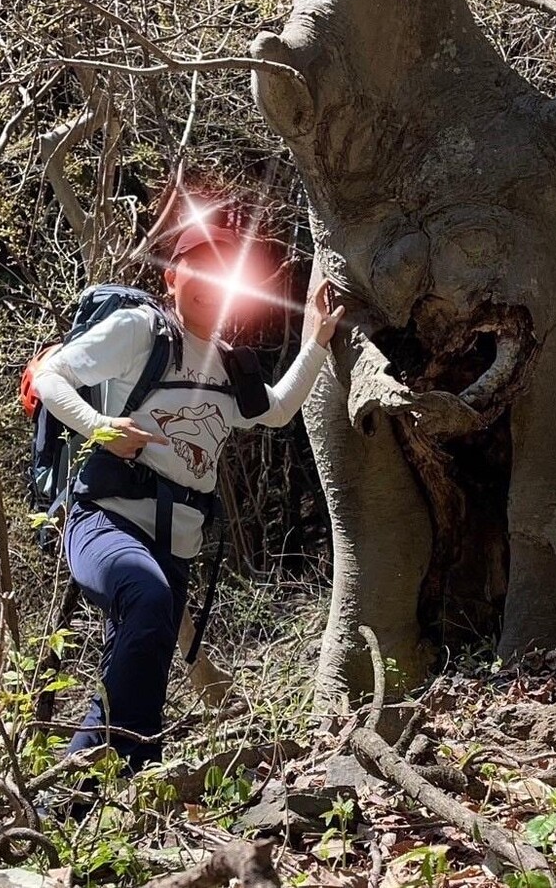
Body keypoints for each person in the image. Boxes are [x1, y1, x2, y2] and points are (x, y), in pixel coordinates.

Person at [31, 218, 342, 771]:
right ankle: (141, 765)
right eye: (199, 270)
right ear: (172, 278)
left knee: (131, 661)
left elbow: (278, 410)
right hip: (108, 522)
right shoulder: (141, 331)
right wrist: (101, 427)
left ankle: (78, 789)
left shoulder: (230, 365)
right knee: (147, 602)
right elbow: (53, 376)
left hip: (177, 545)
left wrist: (316, 340)